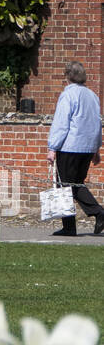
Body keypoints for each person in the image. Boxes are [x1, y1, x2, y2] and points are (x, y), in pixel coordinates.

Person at [47, 61, 104, 237]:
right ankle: (92, 216)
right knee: (76, 184)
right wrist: (96, 148)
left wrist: (52, 147)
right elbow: (97, 123)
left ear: (67, 76)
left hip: (70, 146)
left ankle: (81, 221)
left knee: (66, 186)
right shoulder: (92, 96)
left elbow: (61, 124)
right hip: (86, 148)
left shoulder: (68, 95)